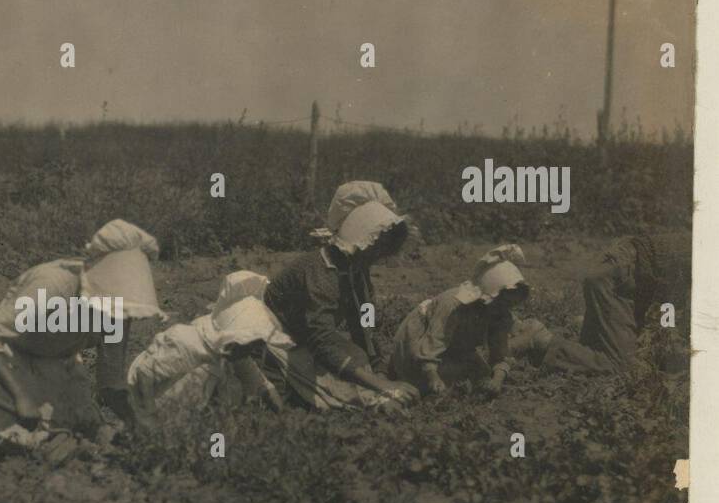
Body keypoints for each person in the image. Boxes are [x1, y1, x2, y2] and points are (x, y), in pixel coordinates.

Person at [0, 219, 164, 443]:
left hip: (58, 361)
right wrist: (20, 397)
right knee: (2, 437)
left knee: (82, 427)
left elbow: (111, 383)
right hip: (8, 356)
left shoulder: (120, 312)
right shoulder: (52, 285)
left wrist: (134, 421)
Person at [262, 181, 418, 410]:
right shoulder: (320, 273)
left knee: (358, 359)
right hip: (279, 339)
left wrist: (379, 369)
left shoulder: (357, 271)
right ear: (359, 240)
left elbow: (364, 324)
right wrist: (380, 386)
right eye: (375, 245)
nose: (379, 254)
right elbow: (321, 340)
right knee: (345, 391)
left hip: (306, 337)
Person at [127, 279, 285, 426]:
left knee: (225, 381)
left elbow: (256, 380)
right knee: (212, 375)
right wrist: (149, 419)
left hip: (177, 391)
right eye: (251, 347)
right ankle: (172, 429)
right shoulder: (188, 343)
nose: (252, 352)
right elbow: (145, 374)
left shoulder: (230, 346)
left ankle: (210, 438)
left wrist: (281, 412)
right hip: (150, 395)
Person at [387, 244, 538, 396]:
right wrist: (433, 377)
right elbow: (431, 345)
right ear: (489, 295)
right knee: (439, 386)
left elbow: (500, 354)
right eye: (503, 302)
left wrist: (497, 380)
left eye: (511, 304)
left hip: (454, 348)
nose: (506, 308)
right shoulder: (453, 305)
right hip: (418, 345)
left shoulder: (501, 314)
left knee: (482, 374)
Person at [532, 232, 691, 374]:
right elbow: (672, 308)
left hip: (614, 268)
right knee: (622, 365)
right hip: (616, 278)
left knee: (600, 349)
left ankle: (542, 330)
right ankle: (542, 340)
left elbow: (667, 303)